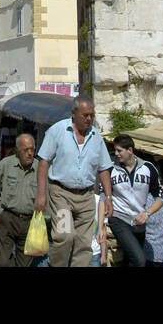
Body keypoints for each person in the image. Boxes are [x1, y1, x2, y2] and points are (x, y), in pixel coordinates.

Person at [34, 95, 113, 267]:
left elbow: (104, 168)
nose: (89, 119)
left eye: (92, 115)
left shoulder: (96, 136)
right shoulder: (58, 131)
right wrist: (41, 194)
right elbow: (43, 161)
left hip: (86, 196)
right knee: (64, 235)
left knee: (84, 243)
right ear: (73, 114)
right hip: (61, 192)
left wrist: (108, 197)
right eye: (85, 115)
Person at [107, 133, 163, 267]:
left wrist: (147, 213)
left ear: (130, 150)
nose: (116, 154)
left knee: (129, 260)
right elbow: (104, 196)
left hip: (139, 221)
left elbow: (160, 198)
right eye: (115, 150)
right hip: (119, 218)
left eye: (119, 150)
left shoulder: (148, 168)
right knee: (139, 260)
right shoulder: (111, 169)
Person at [0, 133, 39, 267]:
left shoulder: (39, 168)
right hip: (8, 218)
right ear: (17, 150)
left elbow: (46, 194)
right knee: (3, 262)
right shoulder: (5, 165)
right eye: (25, 150)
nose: (29, 153)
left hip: (29, 222)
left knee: (25, 263)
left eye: (32, 149)